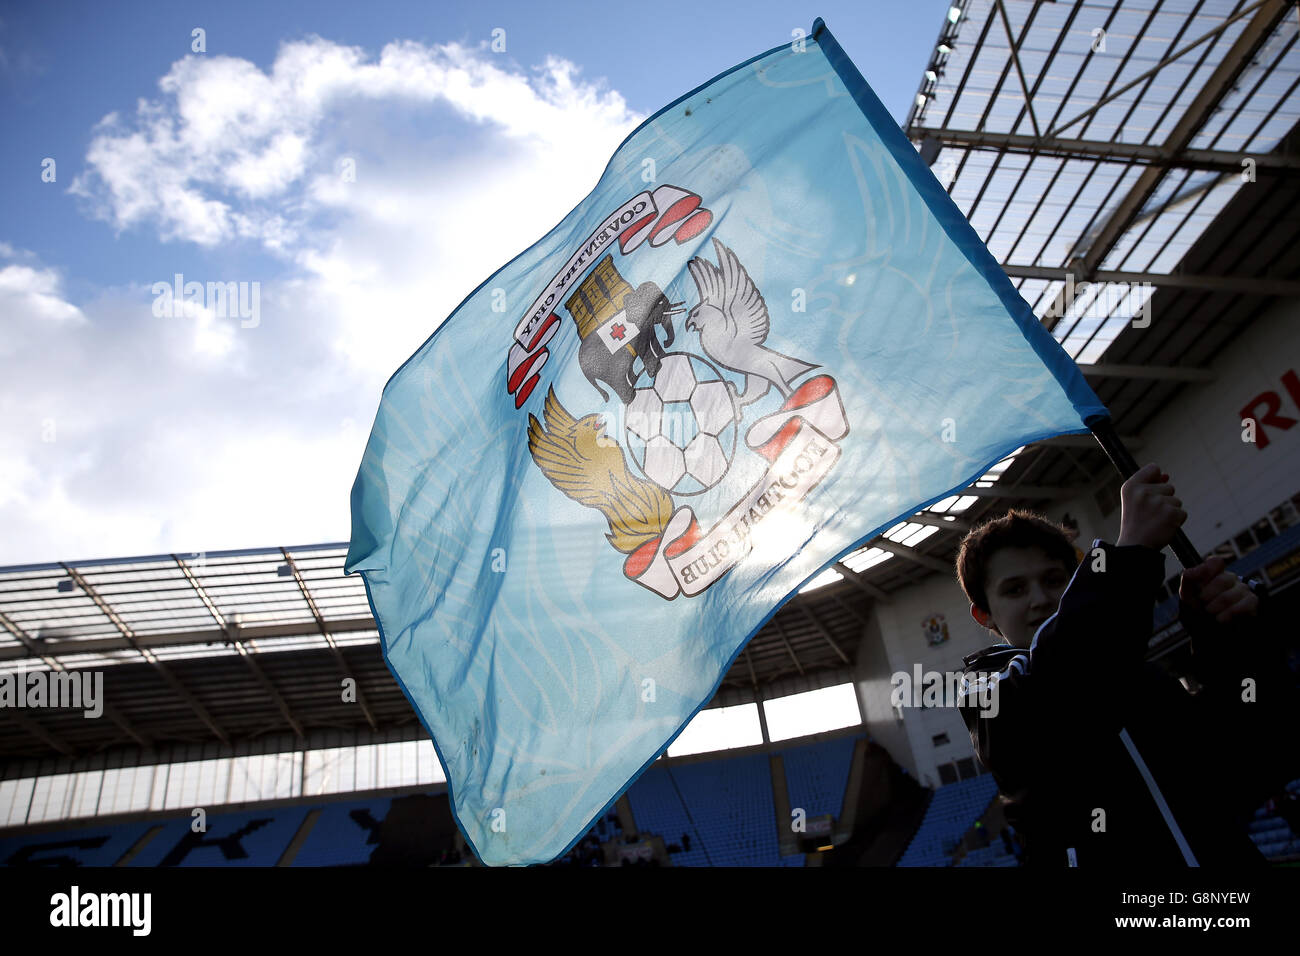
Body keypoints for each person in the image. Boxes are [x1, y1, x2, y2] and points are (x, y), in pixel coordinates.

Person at [955, 463, 1298, 866]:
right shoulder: (987, 693)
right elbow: (1065, 686)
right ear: (985, 616)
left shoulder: (1138, 677)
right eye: (1014, 589)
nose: (1040, 599)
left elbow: (1255, 758)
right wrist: (1131, 553)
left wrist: (1230, 640)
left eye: (1054, 580)